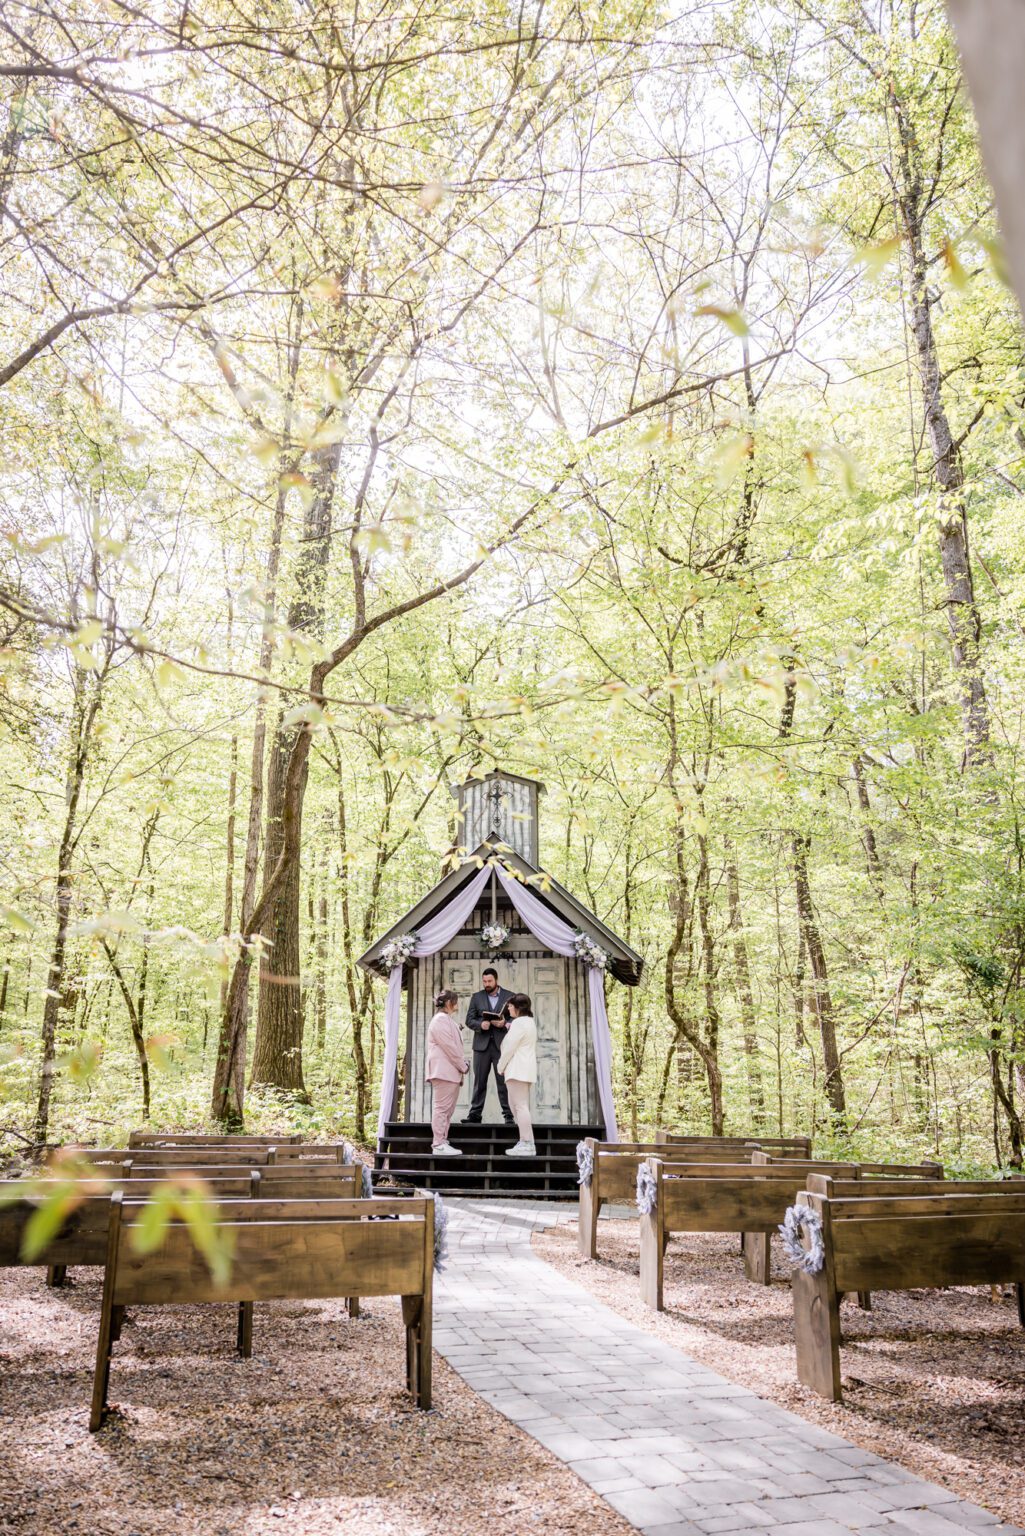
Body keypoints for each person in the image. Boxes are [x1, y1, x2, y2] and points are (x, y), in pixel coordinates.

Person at [461, 966, 515, 1125]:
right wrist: (481, 1024)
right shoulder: (476, 997)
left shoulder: (509, 996)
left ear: (496, 980)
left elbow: (515, 1018)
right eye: (484, 981)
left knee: (503, 1082)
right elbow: (469, 1019)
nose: (487, 984)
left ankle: (508, 1116)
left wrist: (505, 1023)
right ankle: (475, 1115)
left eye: (489, 981)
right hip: (481, 1047)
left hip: (501, 1047)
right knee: (479, 1082)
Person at [426, 989, 470, 1155]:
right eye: (456, 1002)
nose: (457, 1006)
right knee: (442, 1109)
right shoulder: (440, 1020)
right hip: (443, 1071)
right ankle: (438, 1143)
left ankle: (443, 1140)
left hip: (450, 1072)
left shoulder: (446, 1020)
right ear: (450, 1003)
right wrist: (463, 1066)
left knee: (447, 1110)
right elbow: (450, 1048)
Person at [498, 992, 537, 1157]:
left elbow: (509, 1047)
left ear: (518, 1008)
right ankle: (525, 1141)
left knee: (520, 1106)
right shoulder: (528, 1022)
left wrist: (500, 1066)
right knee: (517, 1106)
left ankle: (527, 1143)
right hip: (522, 1069)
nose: (508, 1008)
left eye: (510, 1006)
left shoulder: (519, 1023)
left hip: (517, 1069)